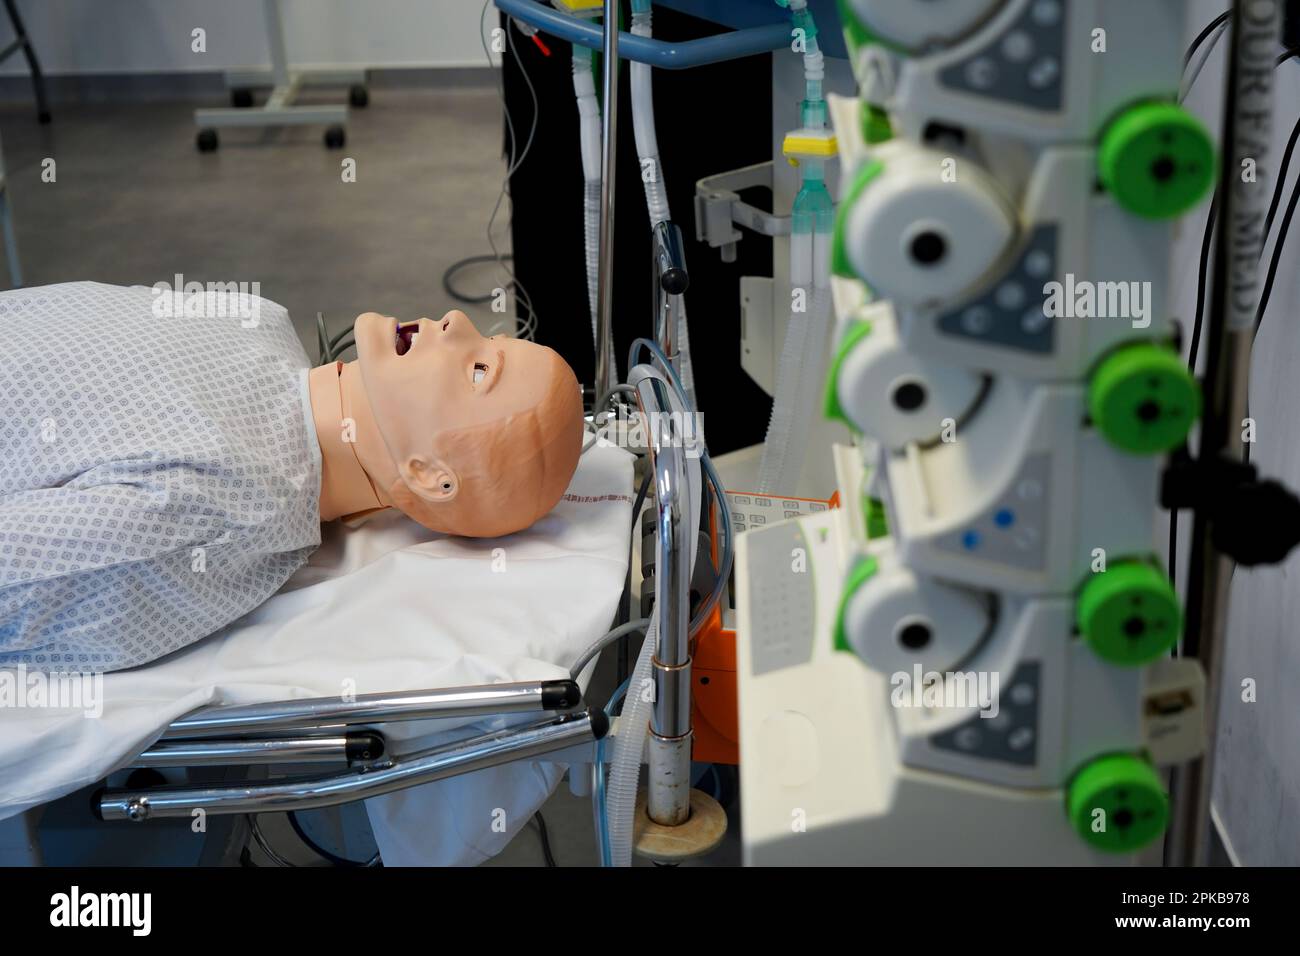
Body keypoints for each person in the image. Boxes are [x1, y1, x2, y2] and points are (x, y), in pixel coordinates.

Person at [0, 282, 584, 672]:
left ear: (431, 476)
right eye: (489, 336)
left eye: (479, 368)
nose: (457, 320)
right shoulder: (256, 319)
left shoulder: (224, 510)